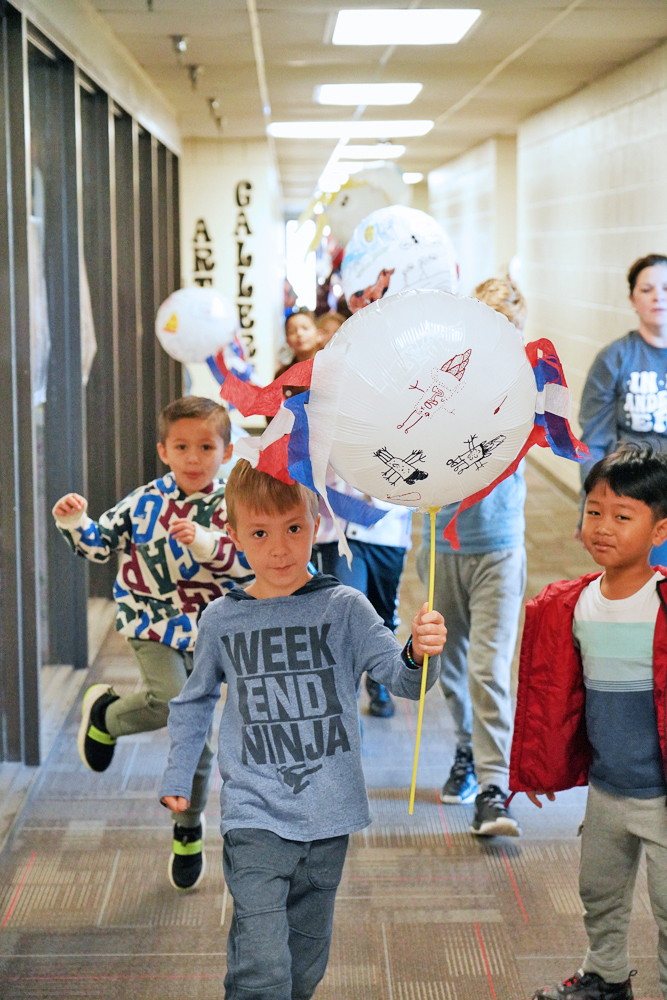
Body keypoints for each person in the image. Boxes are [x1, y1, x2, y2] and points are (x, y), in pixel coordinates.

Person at [159, 459, 447, 1000]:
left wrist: (419, 649)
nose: (280, 548)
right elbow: (194, 700)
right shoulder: (223, 617)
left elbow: (402, 680)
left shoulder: (345, 608)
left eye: (294, 528)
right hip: (254, 813)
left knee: (303, 969)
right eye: (261, 533)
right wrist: (180, 773)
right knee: (261, 968)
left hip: (329, 814)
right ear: (235, 534)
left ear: (317, 525)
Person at [52, 396, 253, 891]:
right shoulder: (145, 501)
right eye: (181, 446)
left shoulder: (233, 504)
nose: (193, 458)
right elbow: (99, 545)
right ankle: (108, 716)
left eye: (206, 447)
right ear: (163, 450)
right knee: (170, 703)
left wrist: (203, 542)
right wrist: (75, 521)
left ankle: (187, 829)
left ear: (225, 452)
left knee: (198, 743)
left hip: (211, 630)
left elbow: (247, 563)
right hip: (151, 620)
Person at [512, 445, 667, 1000]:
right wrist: (536, 768)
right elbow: (553, 697)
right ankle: (606, 976)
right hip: (606, 789)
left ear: (659, 530)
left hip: (661, 796)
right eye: (594, 511)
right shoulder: (572, 604)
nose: (602, 527)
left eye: (623, 516)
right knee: (598, 891)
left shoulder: (661, 602)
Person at [417, 277, 527, 836]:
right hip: (439, 544)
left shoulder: (526, 387)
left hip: (497, 549)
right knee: (450, 667)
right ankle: (467, 748)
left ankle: (494, 785)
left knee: (488, 668)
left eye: (505, 328)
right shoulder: (434, 384)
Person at [579, 254, 667, 565]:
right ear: (632, 298)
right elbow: (593, 444)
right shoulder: (614, 359)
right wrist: (590, 510)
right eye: (647, 289)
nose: (658, 296)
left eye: (666, 288)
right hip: (636, 502)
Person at [313, 482, 412, 718]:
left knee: (383, 615)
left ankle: (380, 680)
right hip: (337, 529)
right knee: (346, 615)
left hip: (388, 531)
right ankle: (345, 696)